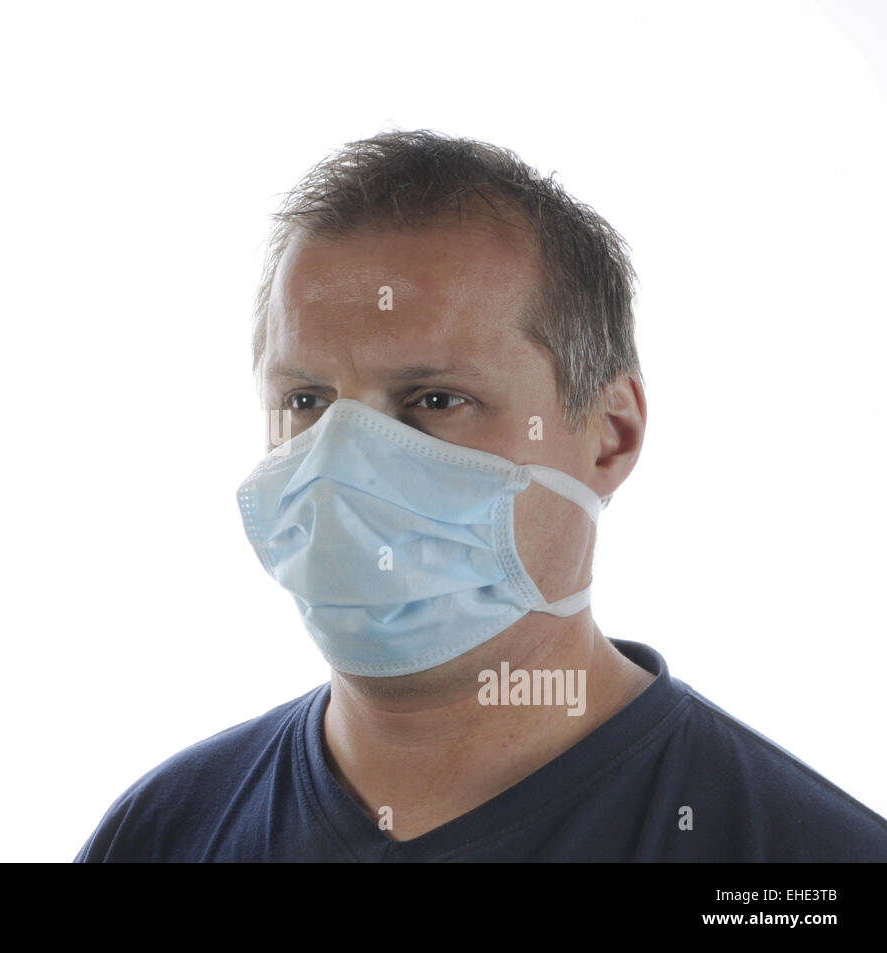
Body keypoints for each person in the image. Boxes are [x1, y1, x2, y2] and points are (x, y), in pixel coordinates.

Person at [75, 130, 887, 861]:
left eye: (432, 400)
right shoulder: (161, 833)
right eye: (307, 401)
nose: (342, 466)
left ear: (611, 433)